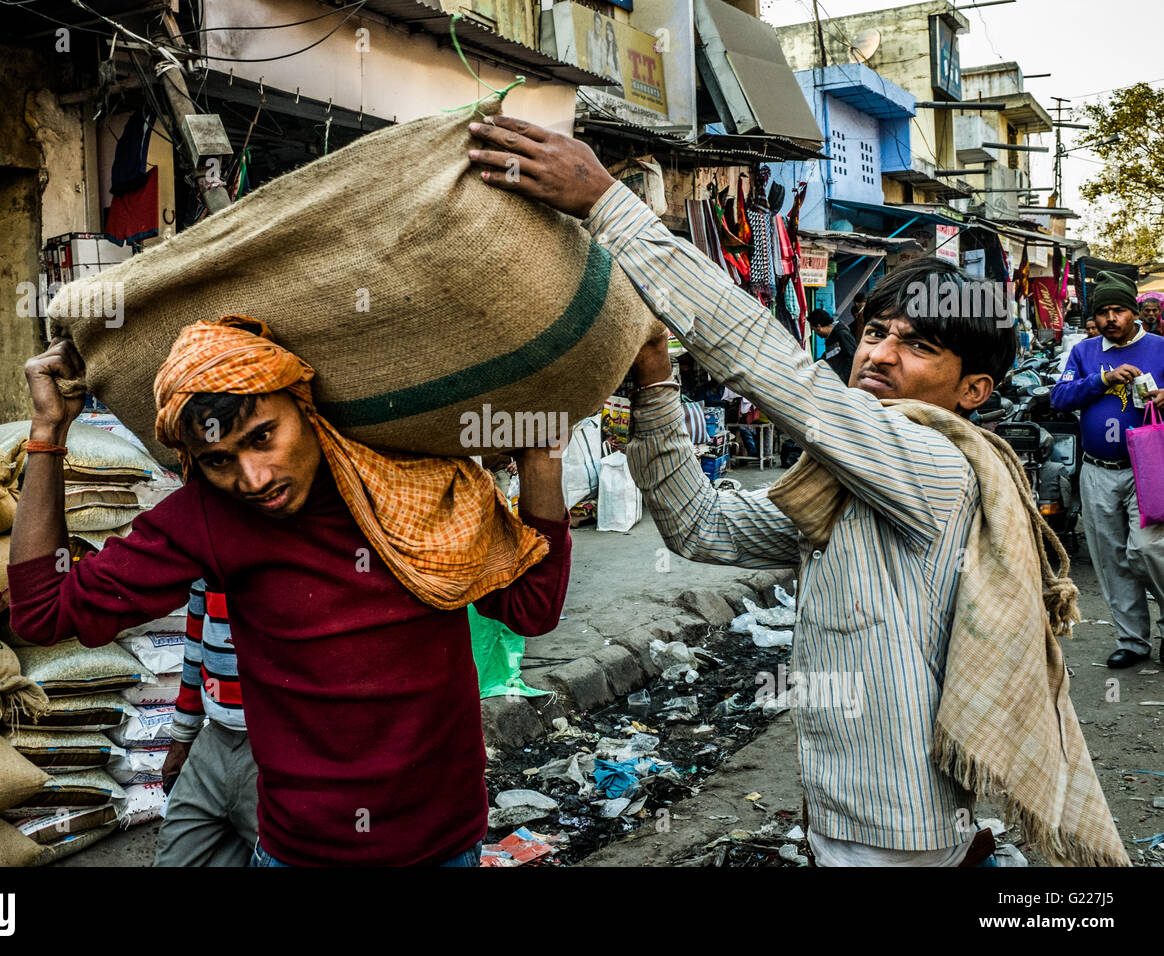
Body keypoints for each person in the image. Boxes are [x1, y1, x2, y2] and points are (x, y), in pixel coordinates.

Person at [467, 115, 1128, 867]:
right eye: (877, 332)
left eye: (919, 345)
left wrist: (609, 204)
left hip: (895, 839)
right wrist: (656, 382)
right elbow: (701, 525)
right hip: (845, 821)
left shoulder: (934, 466)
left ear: (973, 389)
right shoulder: (848, 490)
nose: (879, 354)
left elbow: (776, 370)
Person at [8, 317, 571, 867]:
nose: (254, 479)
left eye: (263, 438)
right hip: (300, 851)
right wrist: (47, 432)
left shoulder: (411, 479)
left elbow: (531, 608)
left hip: (444, 842)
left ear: (305, 406)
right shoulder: (210, 514)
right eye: (219, 460)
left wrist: (542, 460)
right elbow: (43, 611)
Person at [1052, 272, 1164, 667]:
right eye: (1103, 312)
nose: (1111, 318)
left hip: (1147, 470)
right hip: (1097, 469)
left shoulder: (1160, 348)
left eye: (1119, 310)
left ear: (1135, 313)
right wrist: (1101, 379)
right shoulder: (1084, 352)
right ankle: (1132, 641)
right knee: (1110, 559)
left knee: (1148, 549)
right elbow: (1060, 398)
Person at [153, 580, 258, 867]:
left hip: (276, 741)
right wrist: (183, 734)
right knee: (173, 857)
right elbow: (196, 637)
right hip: (215, 737)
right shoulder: (210, 545)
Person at [806, 308, 858, 385]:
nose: (815, 333)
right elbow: (829, 355)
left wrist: (843, 380)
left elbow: (853, 358)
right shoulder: (831, 337)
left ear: (818, 326)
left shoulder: (842, 334)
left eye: (814, 330)